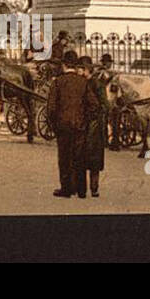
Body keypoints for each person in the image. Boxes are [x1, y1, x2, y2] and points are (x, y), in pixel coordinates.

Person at [46, 53, 90, 199]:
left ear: (64, 65)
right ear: (75, 66)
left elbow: (51, 108)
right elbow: (94, 105)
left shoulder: (58, 82)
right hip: (80, 125)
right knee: (79, 157)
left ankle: (67, 189)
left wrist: (54, 125)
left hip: (63, 125)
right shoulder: (83, 82)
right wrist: (86, 121)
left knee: (64, 158)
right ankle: (82, 190)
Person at [81, 56, 108, 198]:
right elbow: (105, 105)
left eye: (81, 69)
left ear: (86, 70)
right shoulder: (95, 84)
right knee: (92, 160)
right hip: (93, 126)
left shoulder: (93, 84)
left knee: (88, 159)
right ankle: (93, 188)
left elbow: (104, 105)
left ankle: (91, 188)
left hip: (91, 125)